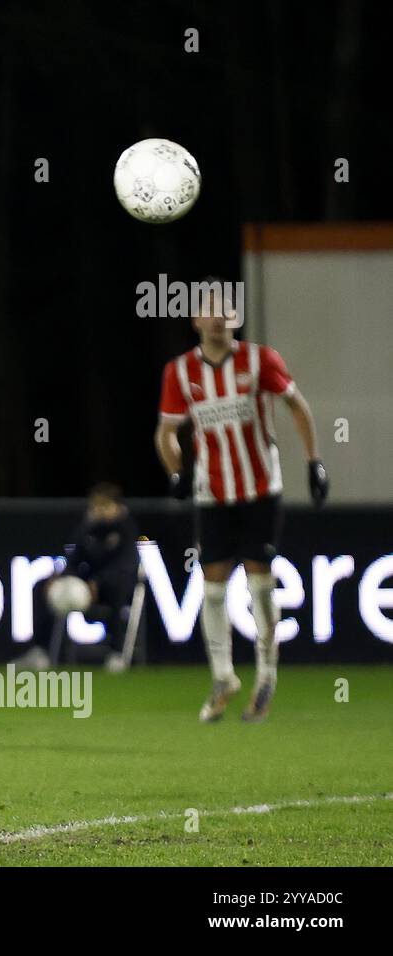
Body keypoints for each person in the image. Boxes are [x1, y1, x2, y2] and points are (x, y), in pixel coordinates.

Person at [155, 281, 328, 723]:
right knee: (211, 588)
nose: (218, 318)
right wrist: (176, 471)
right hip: (212, 494)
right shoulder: (180, 372)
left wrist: (314, 463)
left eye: (225, 310)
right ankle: (223, 676)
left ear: (234, 318)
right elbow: (167, 433)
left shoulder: (259, 360)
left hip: (259, 491)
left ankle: (267, 674)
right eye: (209, 311)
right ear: (196, 321)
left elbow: (297, 407)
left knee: (258, 582)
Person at [17, 483, 140, 672]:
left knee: (117, 590)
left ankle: (116, 653)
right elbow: (74, 561)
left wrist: (98, 582)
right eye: (96, 506)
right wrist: (59, 578)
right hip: (87, 587)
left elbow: (126, 566)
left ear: (116, 507)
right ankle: (40, 651)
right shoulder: (87, 529)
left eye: (104, 506)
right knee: (46, 589)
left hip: (115, 586)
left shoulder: (126, 529)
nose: (100, 511)